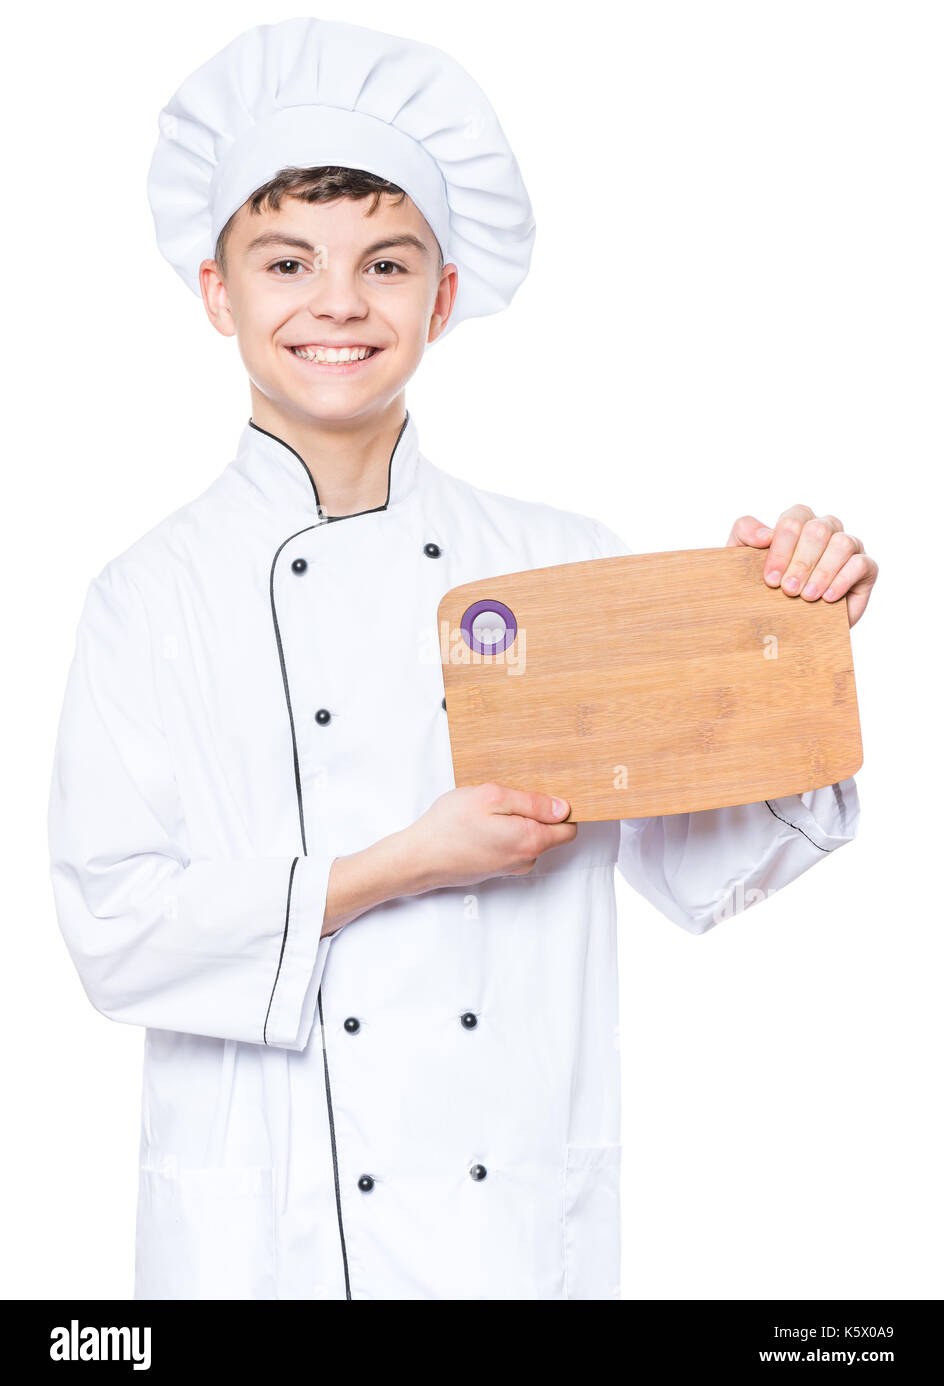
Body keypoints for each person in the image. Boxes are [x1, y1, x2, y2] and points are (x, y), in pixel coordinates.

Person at [46, 16, 877, 1301]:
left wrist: (786, 642)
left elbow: (700, 871)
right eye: (285, 261)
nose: (337, 303)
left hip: (506, 1246)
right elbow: (115, 931)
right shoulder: (147, 598)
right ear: (217, 291)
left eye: (385, 264)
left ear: (441, 296)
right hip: (260, 1245)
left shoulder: (558, 564)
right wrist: (399, 865)